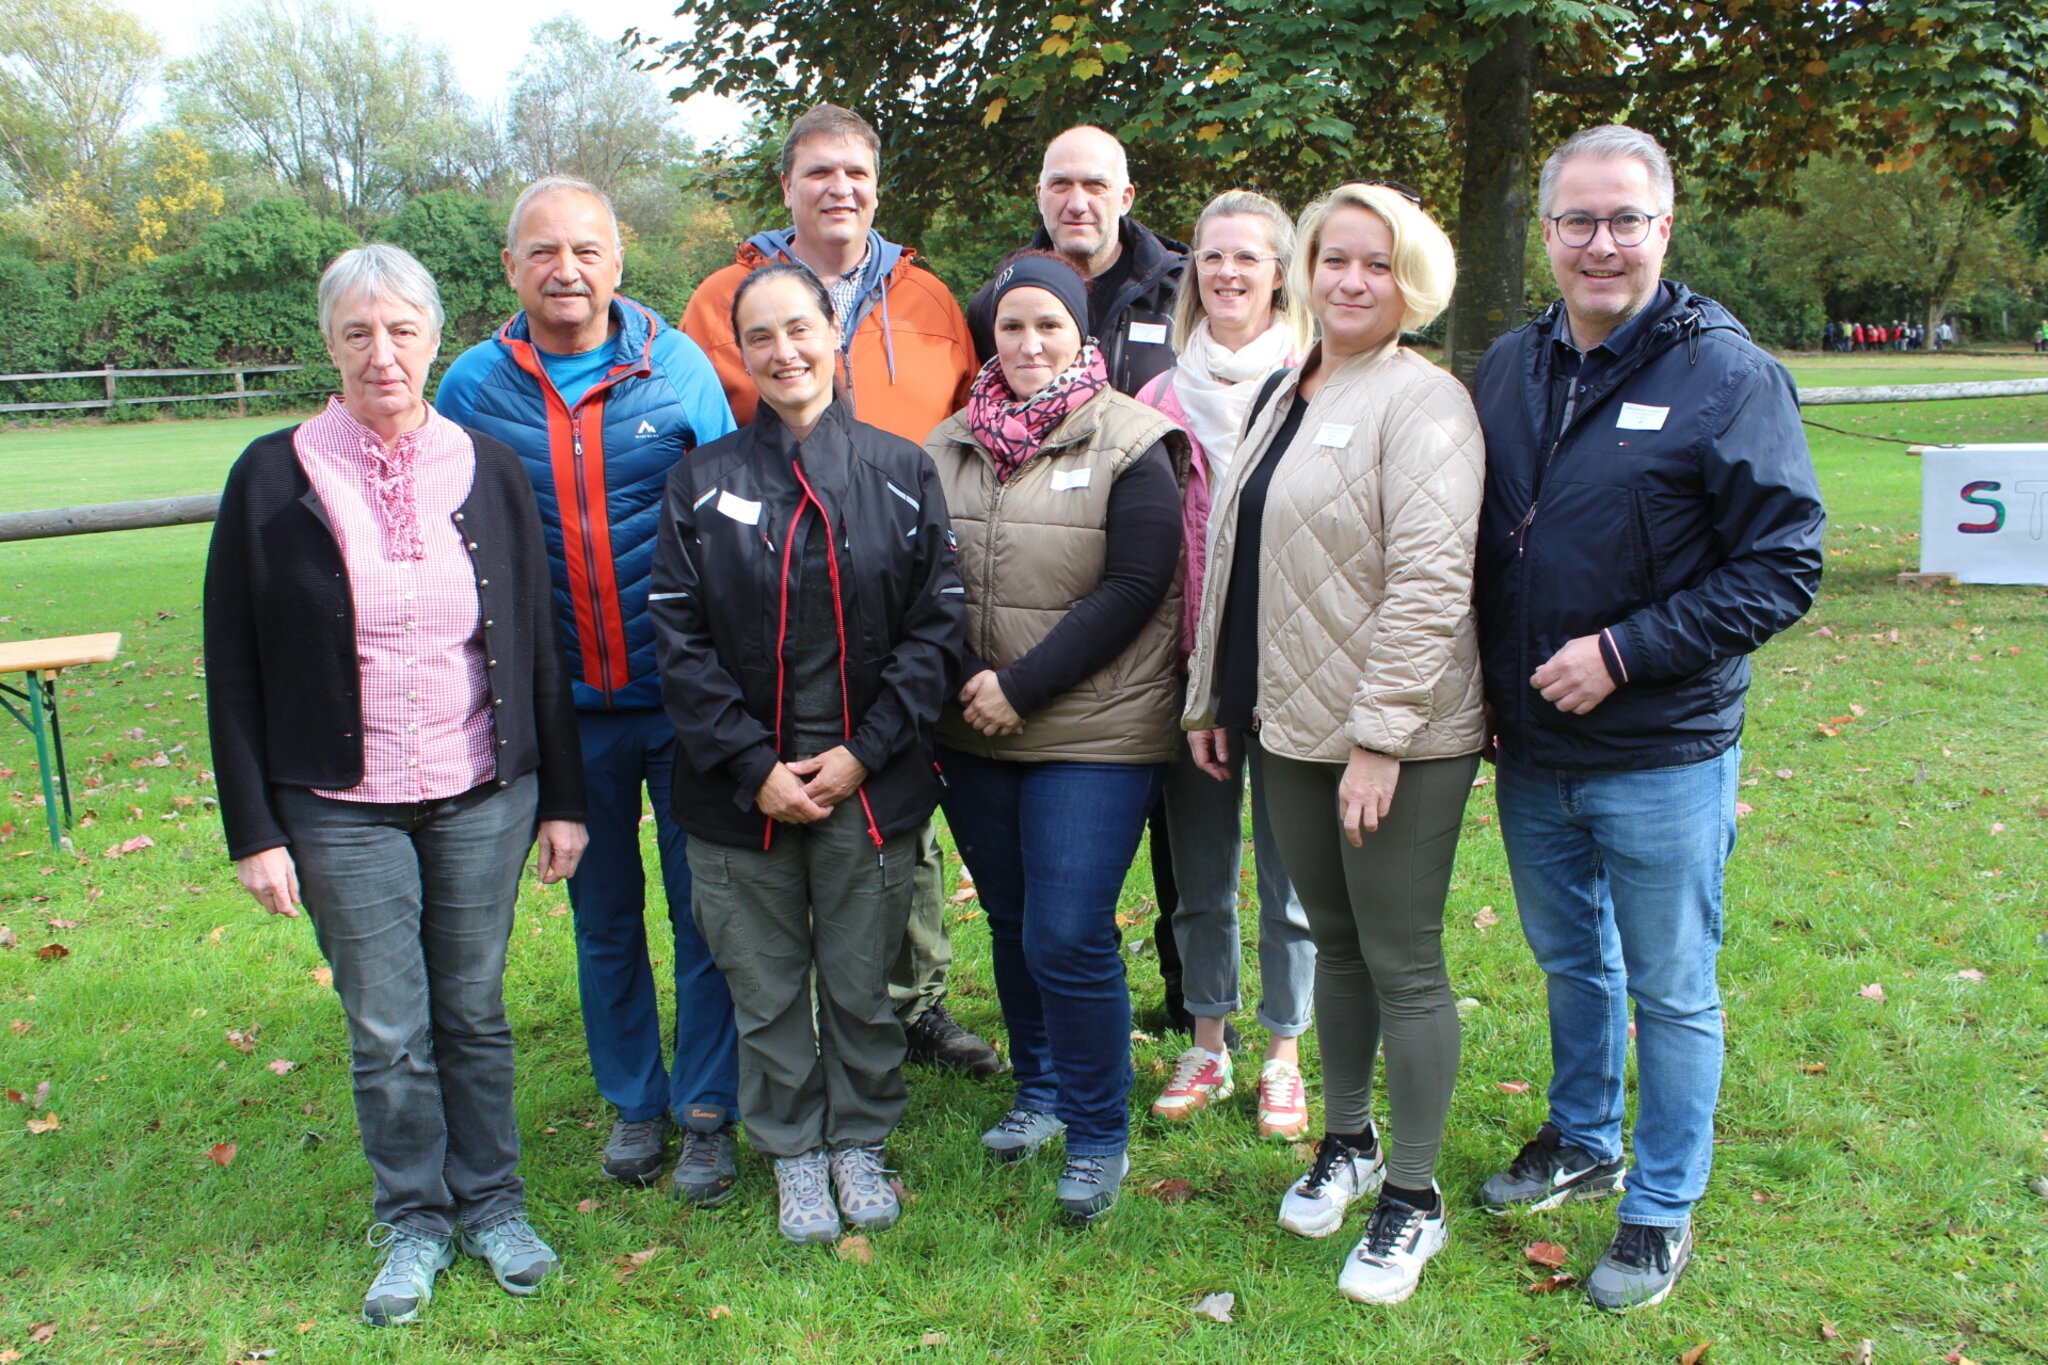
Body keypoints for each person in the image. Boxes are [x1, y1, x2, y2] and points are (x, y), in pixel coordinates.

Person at [1472, 125, 1825, 1312]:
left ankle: (1660, 1203)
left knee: (1671, 985)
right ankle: (1582, 1134)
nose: (1600, 243)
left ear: (1664, 227)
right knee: (1572, 957)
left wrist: (1625, 652)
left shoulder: (1725, 376)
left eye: (1625, 219)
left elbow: (1782, 563)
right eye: (1577, 220)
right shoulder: (1508, 368)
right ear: (1546, 233)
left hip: (1660, 752)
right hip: (1530, 748)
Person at [205, 244, 587, 1325]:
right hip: (339, 804)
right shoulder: (271, 476)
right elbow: (231, 660)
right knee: (386, 1028)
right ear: (328, 344)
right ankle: (413, 1219)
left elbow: (535, 646)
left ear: (434, 338)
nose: (383, 354)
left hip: (480, 792)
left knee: (471, 1012)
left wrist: (562, 799)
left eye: (403, 330)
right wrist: (253, 830)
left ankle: (495, 1205)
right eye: (358, 332)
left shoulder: (488, 467)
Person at [1184, 182, 1485, 1304]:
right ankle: (1349, 1140)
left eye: (1374, 263)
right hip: (1284, 724)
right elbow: (1234, 553)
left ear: (1407, 279)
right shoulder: (1289, 386)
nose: (1349, 281)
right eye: (1331, 259)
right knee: (1334, 942)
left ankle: (1413, 1196)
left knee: (1401, 959)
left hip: (1392, 736)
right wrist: (1212, 697)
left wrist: (1378, 740)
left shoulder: (1426, 402)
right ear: (1303, 271)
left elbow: (1428, 583)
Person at [435, 177, 745, 1203]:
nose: (564, 270)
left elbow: (733, 526)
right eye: (542, 252)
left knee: (705, 913)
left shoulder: (680, 370)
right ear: (510, 268)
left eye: (585, 250)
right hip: (563, 712)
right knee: (602, 915)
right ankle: (635, 1101)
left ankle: (707, 1110)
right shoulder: (474, 387)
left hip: (684, 699)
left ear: (617, 262)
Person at [679, 105, 1000, 1079]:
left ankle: (915, 1005)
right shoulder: (719, 300)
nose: (839, 189)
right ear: (786, 186)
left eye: (855, 172)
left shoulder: (928, 300)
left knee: (900, 813)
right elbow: (702, 447)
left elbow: (967, 429)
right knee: (777, 831)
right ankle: (792, 1026)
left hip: (896, 588)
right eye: (818, 171)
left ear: (875, 184)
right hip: (769, 605)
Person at [649, 263, 965, 1245]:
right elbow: (680, 645)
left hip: (865, 786)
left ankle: (858, 1136)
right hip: (739, 791)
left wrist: (863, 755)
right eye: (760, 338)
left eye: (799, 329)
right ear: (738, 356)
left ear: (833, 330)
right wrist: (755, 769)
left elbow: (937, 630)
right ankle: (792, 1148)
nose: (783, 352)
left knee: (862, 979)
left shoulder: (899, 470)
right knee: (765, 980)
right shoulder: (700, 483)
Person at [928, 251, 1189, 1223]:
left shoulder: (1133, 440)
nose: (1029, 343)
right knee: (1008, 922)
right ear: (988, 336)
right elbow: (922, 582)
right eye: (1010, 326)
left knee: (1067, 929)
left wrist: (1020, 686)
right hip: (973, 729)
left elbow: (1135, 587)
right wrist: (967, 684)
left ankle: (1093, 1130)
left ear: (1081, 333)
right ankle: (1036, 1089)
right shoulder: (946, 444)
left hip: (1090, 731)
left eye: (1049, 325)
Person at [965, 123, 1197, 1034]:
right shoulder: (1003, 290)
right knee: (1043, 896)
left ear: (1126, 195)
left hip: (1150, 610)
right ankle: (1059, 1038)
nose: (1078, 200)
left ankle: (1188, 1011)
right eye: (1060, 182)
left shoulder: (1178, 289)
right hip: (1025, 616)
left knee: (1181, 839)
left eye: (1096, 183)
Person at [1132, 189, 1318, 1139]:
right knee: (1200, 869)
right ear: (1192, 271)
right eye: (1212, 257)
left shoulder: (1320, 382)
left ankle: (1284, 1050)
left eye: (1249, 257)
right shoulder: (1159, 398)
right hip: (1187, 672)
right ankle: (1207, 1036)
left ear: (1280, 271)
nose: (1229, 273)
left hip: (1292, 669)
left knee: (1291, 874)